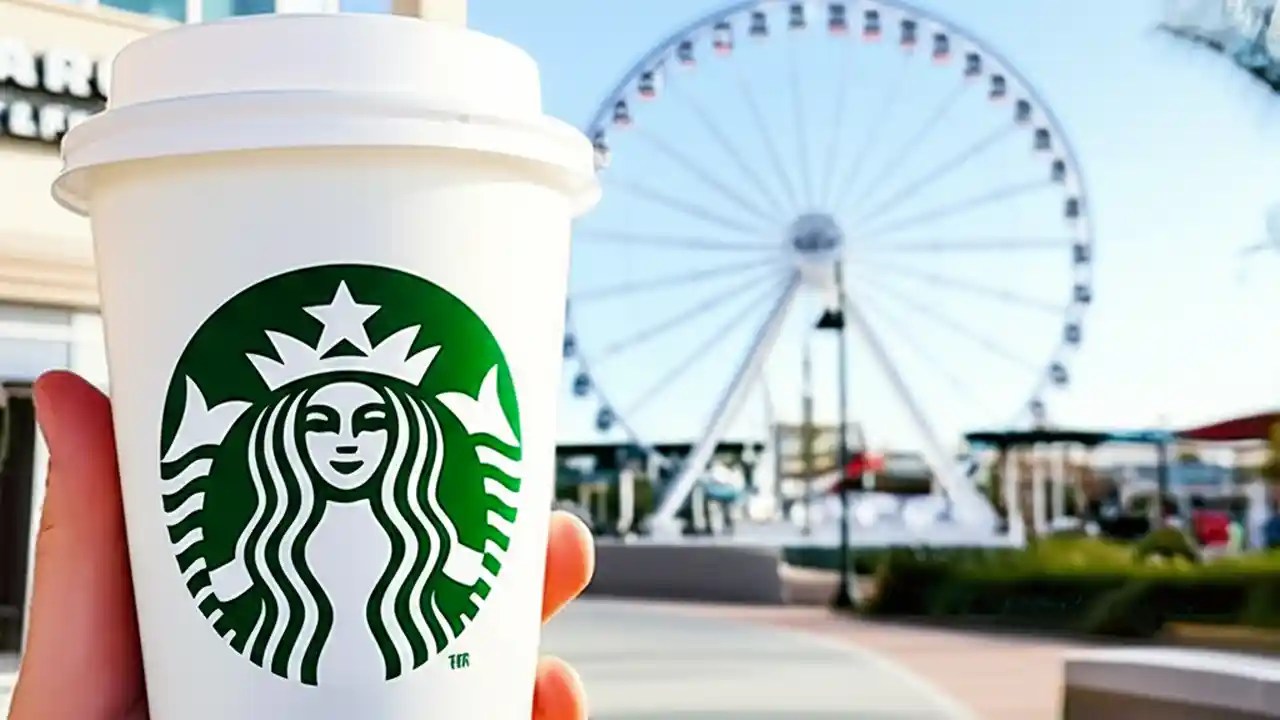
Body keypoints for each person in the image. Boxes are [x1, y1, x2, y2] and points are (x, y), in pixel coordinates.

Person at [8, 371, 595, 720]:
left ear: (405, 438)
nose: (346, 442)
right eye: (321, 424)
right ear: (287, 438)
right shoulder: (250, 560)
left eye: (370, 422)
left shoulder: (447, 554)